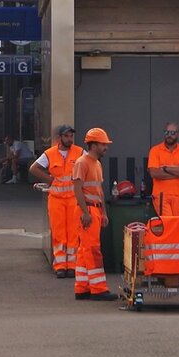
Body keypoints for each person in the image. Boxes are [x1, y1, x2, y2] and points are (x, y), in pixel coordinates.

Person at [29, 124, 84, 277]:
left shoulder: (80, 152)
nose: (69, 139)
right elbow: (33, 168)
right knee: (59, 233)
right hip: (56, 199)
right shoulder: (50, 154)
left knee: (73, 232)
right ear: (59, 138)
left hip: (73, 199)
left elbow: (90, 166)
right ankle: (60, 266)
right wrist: (50, 180)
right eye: (66, 136)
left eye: (71, 136)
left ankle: (72, 266)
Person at [72, 127, 116, 300]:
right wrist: (85, 212)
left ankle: (82, 288)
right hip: (88, 210)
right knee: (92, 249)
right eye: (103, 144)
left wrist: (103, 212)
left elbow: (99, 190)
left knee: (85, 249)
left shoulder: (96, 163)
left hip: (94, 210)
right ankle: (98, 289)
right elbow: (77, 189)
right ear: (94, 145)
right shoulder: (82, 162)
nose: (106, 147)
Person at [147, 121, 179, 216]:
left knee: (178, 222)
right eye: (167, 132)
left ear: (178, 134)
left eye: (172, 133)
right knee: (167, 223)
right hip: (161, 195)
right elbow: (154, 173)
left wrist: (165, 169)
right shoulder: (155, 150)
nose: (169, 135)